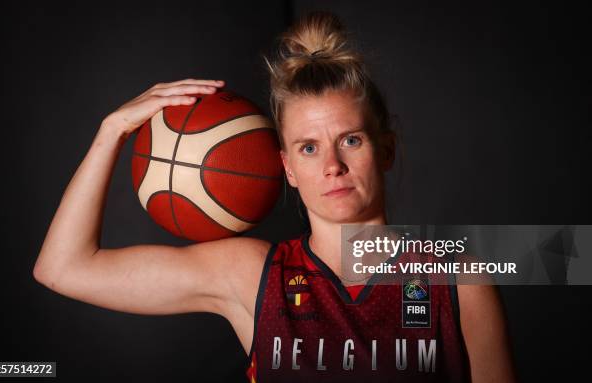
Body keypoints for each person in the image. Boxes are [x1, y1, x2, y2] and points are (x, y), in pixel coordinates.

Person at [34, 11, 517, 383]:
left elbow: (569, 255)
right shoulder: (251, 278)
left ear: (385, 149)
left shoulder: (457, 276)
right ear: (286, 166)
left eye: (351, 139)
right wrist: (111, 131)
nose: (332, 164)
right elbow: (62, 268)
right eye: (308, 148)